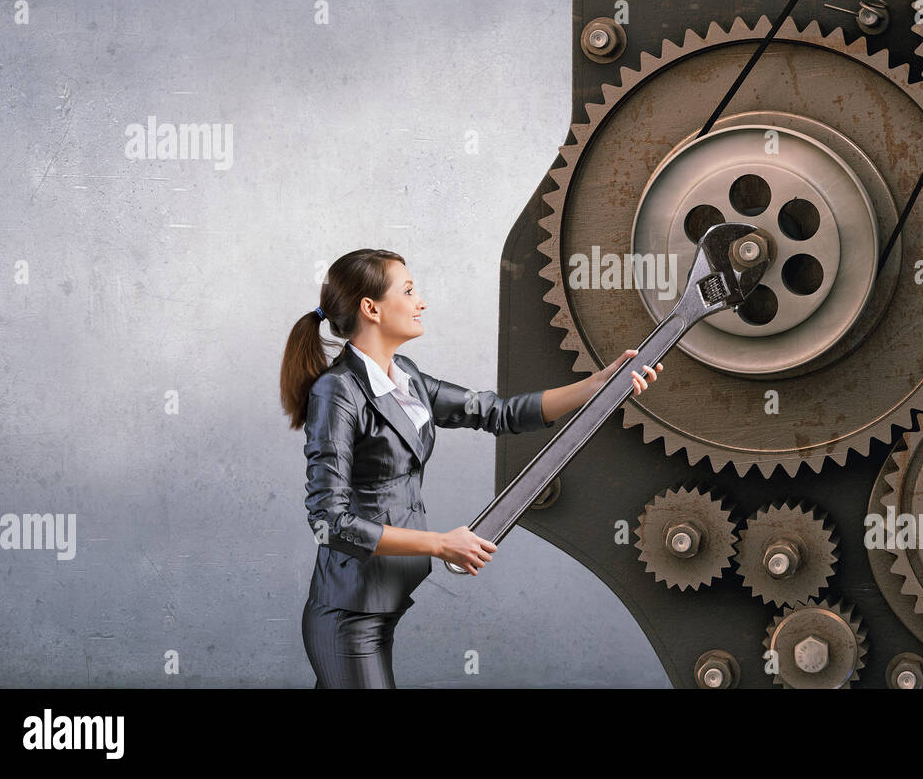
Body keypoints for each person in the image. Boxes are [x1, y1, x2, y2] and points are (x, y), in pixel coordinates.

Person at [278, 247, 660, 688]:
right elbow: (329, 523)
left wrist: (596, 385)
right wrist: (440, 544)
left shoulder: (405, 376)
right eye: (408, 291)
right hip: (348, 615)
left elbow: (497, 412)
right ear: (372, 308)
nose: (421, 302)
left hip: (381, 603)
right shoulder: (337, 391)